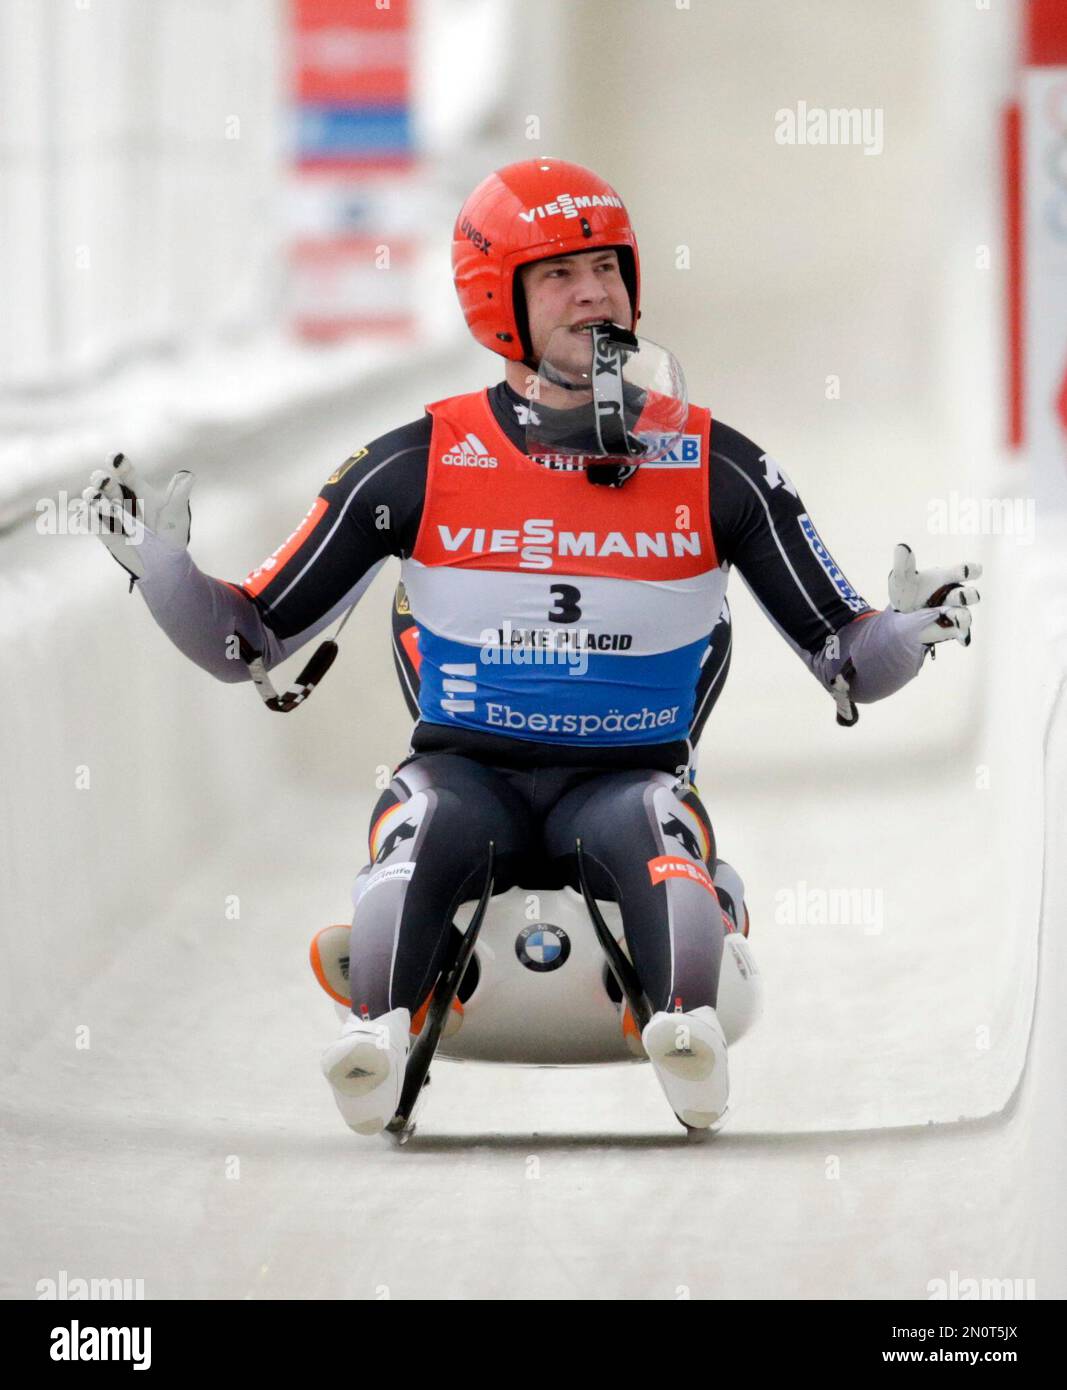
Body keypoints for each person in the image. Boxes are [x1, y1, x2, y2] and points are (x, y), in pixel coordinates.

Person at [84, 158, 980, 1137]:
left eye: (606, 265)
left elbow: (842, 654)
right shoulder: (418, 459)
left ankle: (687, 1032)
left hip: (627, 778)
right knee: (413, 835)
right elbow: (249, 635)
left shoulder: (717, 463)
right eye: (558, 272)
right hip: (467, 773)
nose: (593, 290)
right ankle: (375, 1037)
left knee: (662, 838)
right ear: (497, 299)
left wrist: (908, 626)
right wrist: (163, 573)